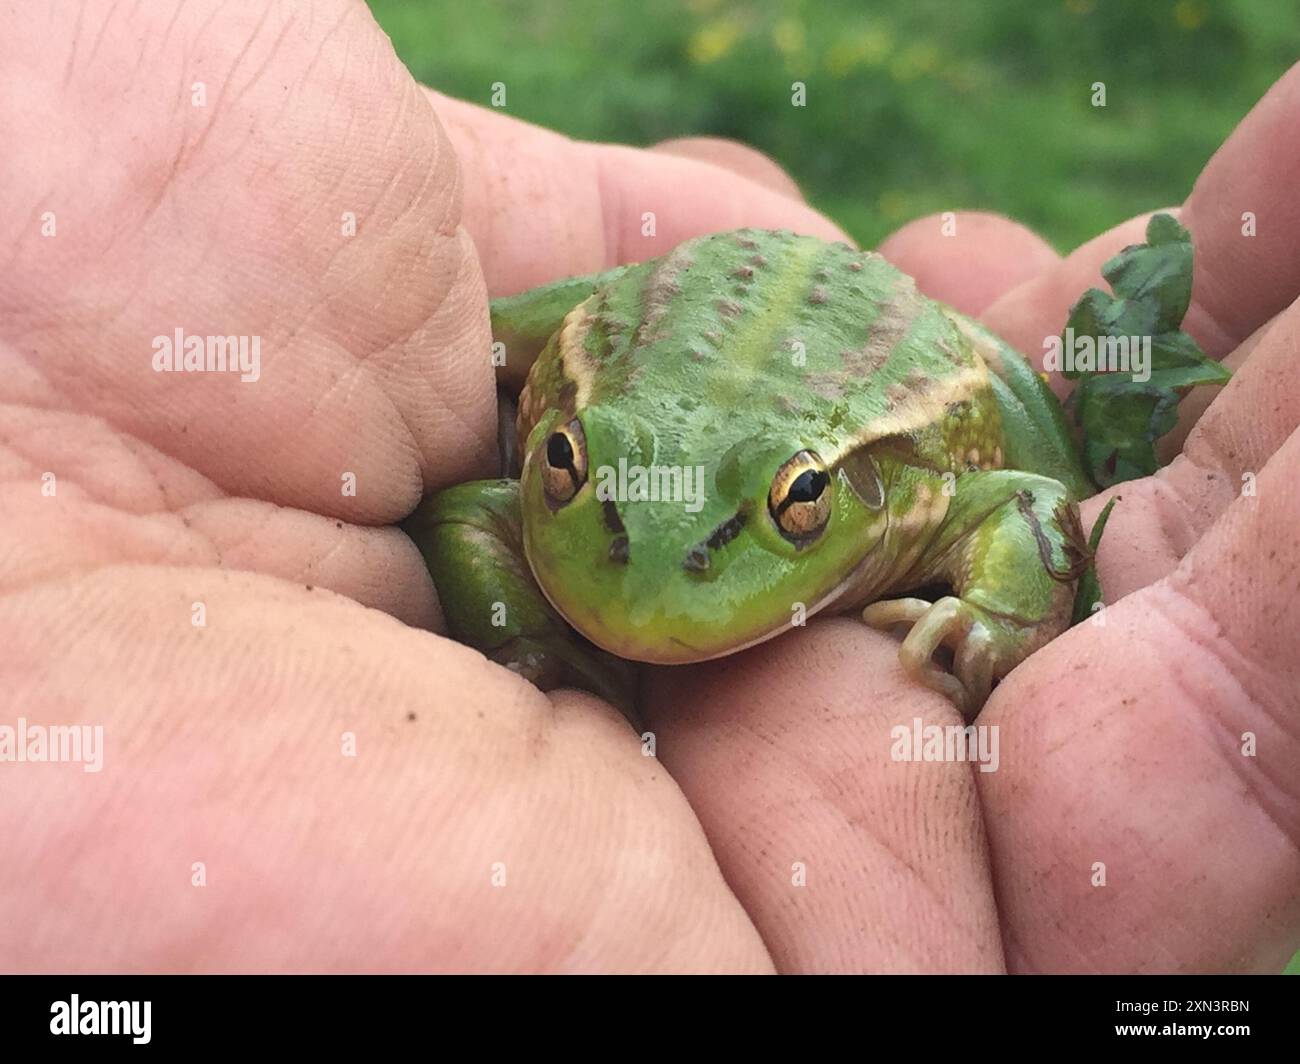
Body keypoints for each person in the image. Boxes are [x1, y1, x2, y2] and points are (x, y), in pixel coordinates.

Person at [2, 0, 1296, 973]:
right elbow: (465, 504)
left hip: (897, 367)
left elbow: (1015, 500)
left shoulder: (909, 483)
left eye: (792, 509)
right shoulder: (555, 454)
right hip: (662, 322)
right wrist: (521, 630)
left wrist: (1003, 613)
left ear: (835, 499)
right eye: (558, 467)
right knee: (519, 363)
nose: (647, 596)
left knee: (1042, 454)